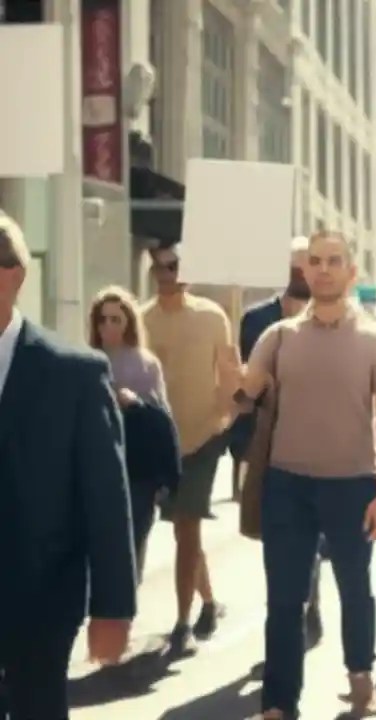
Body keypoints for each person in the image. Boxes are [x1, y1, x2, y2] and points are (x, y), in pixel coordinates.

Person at [234, 230, 376, 719]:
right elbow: (244, 399)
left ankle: (361, 678)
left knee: (354, 588)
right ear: (303, 271)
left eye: (334, 261)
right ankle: (279, 702)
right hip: (286, 485)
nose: (323, 269)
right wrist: (231, 380)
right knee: (284, 599)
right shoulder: (277, 336)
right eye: (315, 261)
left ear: (351, 272)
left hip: (353, 485)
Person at [0, 211, 135, 719]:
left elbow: (106, 496)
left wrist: (112, 605)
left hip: (40, 599)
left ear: (14, 275)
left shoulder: (73, 373)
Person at [232, 238, 326, 646]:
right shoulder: (256, 321)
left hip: (318, 443)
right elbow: (243, 390)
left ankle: (308, 605)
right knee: (276, 536)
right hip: (268, 444)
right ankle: (289, 610)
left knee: (310, 531)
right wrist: (240, 449)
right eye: (294, 269)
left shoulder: (330, 319)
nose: (301, 276)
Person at [142, 244, 235, 654]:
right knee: (184, 530)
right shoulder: (141, 320)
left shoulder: (213, 316)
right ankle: (210, 603)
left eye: (173, 266)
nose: (166, 273)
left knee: (187, 526)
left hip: (202, 440)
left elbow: (230, 372)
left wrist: (226, 415)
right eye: (159, 267)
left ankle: (181, 623)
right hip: (161, 443)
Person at [88, 285, 179, 582]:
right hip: (98, 464)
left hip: (139, 468)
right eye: (103, 319)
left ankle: (126, 612)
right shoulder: (85, 361)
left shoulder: (146, 364)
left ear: (128, 322)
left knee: (134, 542)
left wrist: (134, 402)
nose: (109, 326)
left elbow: (162, 421)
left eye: (116, 319)